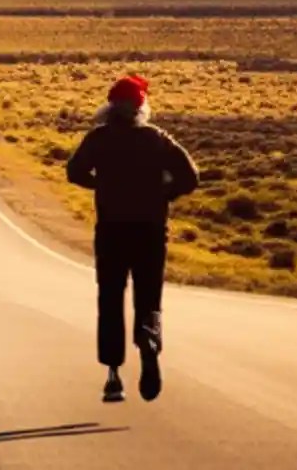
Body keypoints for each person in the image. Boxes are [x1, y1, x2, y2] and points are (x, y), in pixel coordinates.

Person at [66, 75, 198, 403]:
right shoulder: (157, 139)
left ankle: (113, 377)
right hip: (151, 231)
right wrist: (163, 193)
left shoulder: (99, 139)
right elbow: (191, 176)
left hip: (112, 230)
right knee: (148, 298)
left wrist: (104, 186)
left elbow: (74, 172)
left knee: (110, 299)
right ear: (141, 107)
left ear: (110, 106)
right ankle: (149, 343)